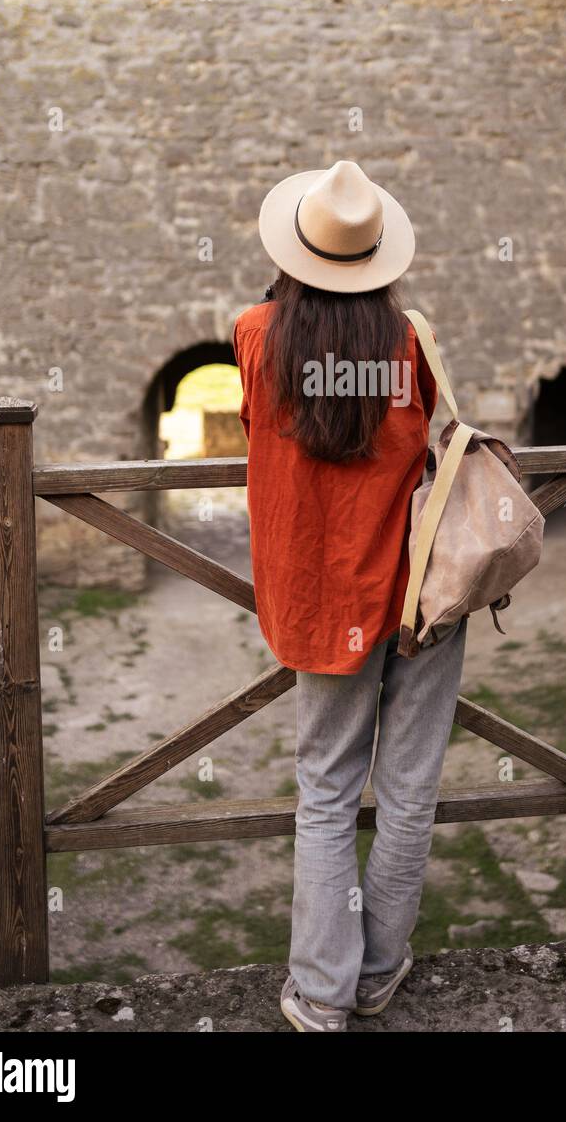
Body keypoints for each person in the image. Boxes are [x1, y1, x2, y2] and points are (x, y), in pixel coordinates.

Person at [232, 159, 467, 1033]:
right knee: (409, 786)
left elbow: (269, 417)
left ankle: (323, 994)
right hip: (420, 597)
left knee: (326, 791)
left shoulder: (258, 335)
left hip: (323, 598)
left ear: (296, 254)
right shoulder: (411, 344)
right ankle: (378, 973)